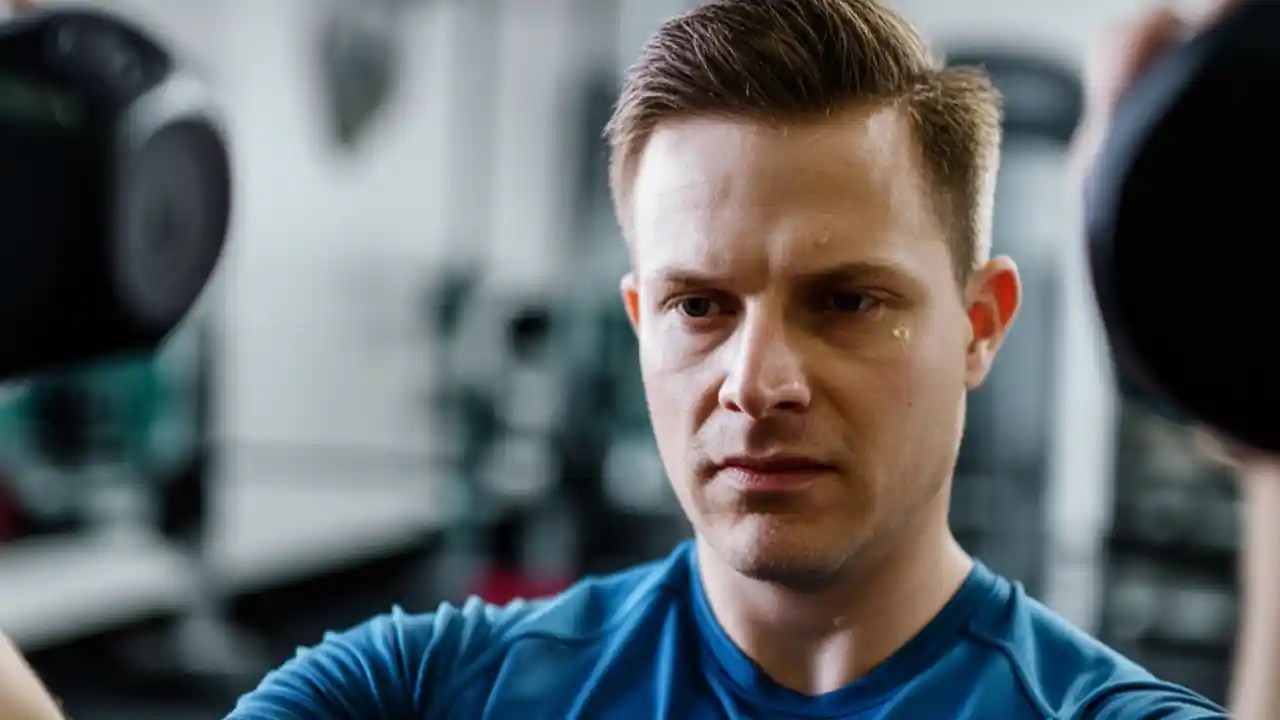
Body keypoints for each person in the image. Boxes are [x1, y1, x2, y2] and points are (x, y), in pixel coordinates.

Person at [222, 1, 1267, 718]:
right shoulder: (429, 690)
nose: (755, 382)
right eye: (699, 306)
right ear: (640, 322)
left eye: (847, 301)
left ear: (979, 324)